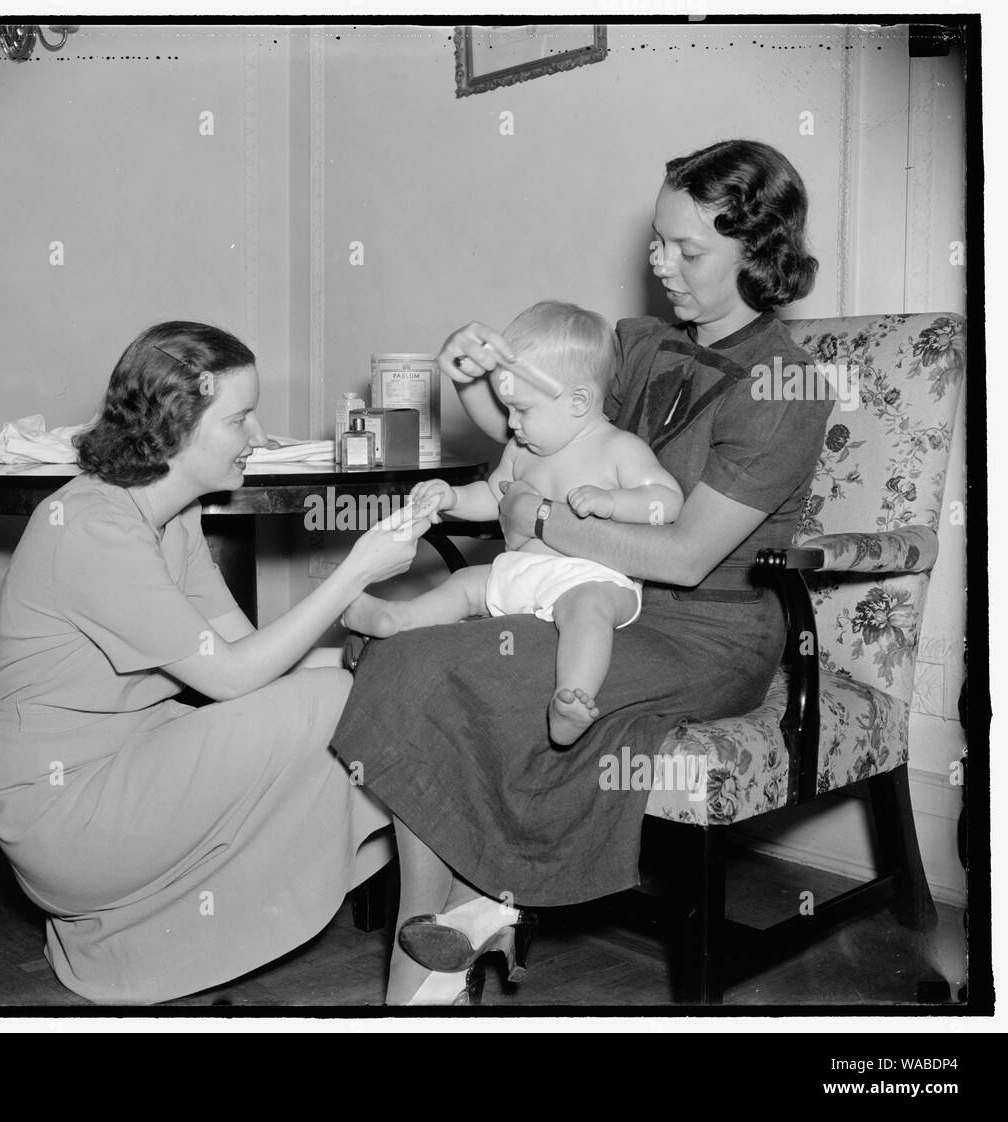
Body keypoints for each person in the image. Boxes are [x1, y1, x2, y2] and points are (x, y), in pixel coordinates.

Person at [329, 138, 834, 1005]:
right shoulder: (635, 345)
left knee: (435, 660)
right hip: (582, 593)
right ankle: (446, 930)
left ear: (759, 254)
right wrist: (476, 373)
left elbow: (682, 554)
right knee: (407, 657)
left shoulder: (787, 384)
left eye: (688, 249)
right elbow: (531, 432)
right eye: (656, 240)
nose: (659, 263)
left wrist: (542, 519)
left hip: (707, 629)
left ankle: (446, 946)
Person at [0, 320, 430, 1004]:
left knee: (361, 693)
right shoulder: (93, 529)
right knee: (337, 700)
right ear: (175, 429)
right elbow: (232, 679)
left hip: (123, 767)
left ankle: (434, 926)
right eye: (240, 418)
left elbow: (247, 661)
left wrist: (388, 653)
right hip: (60, 815)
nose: (259, 436)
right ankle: (426, 939)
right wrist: (353, 575)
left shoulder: (171, 517)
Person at [342, 301, 683, 745]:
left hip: (590, 577)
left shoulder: (619, 449)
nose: (511, 423)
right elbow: (494, 496)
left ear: (579, 400)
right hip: (521, 573)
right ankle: (396, 617)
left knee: (588, 613)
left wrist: (613, 501)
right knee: (465, 583)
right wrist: (451, 497)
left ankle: (571, 697)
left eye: (522, 409)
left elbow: (667, 501)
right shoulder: (522, 451)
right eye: (508, 409)